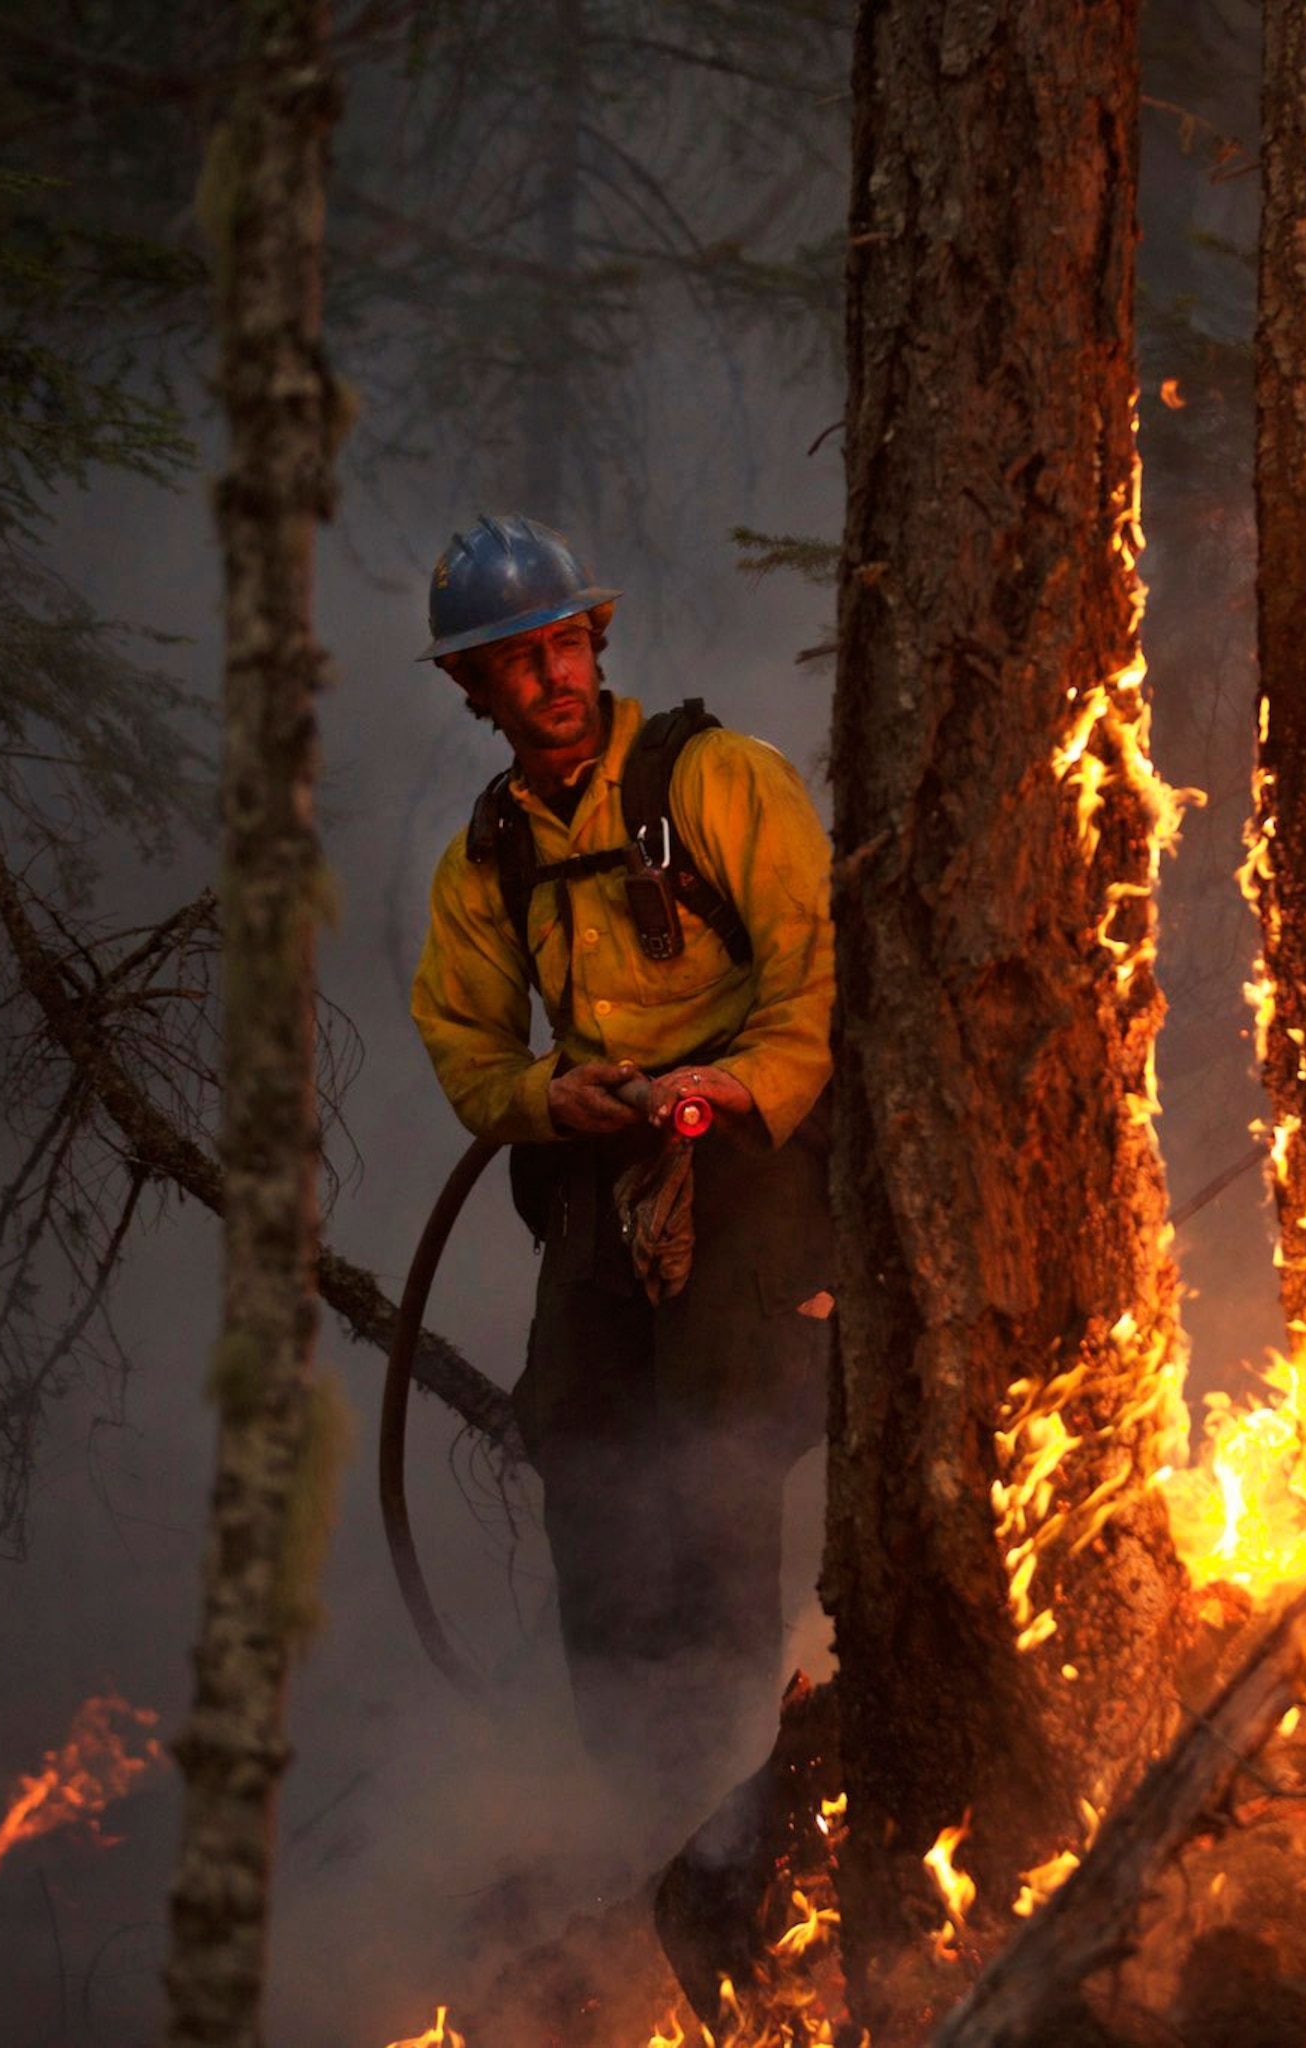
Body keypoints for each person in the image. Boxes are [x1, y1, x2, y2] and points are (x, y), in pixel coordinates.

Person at [407, 514, 836, 1800]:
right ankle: (634, 1794)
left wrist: (729, 1084)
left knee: (721, 1444)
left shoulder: (714, 779)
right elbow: (469, 1053)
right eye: (517, 661)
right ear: (471, 686)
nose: (552, 678)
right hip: (601, 1175)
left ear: (596, 640)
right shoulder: (489, 859)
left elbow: (815, 983)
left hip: (751, 1157)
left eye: (564, 645)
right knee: (585, 1446)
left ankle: (746, 1783)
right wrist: (555, 1093)